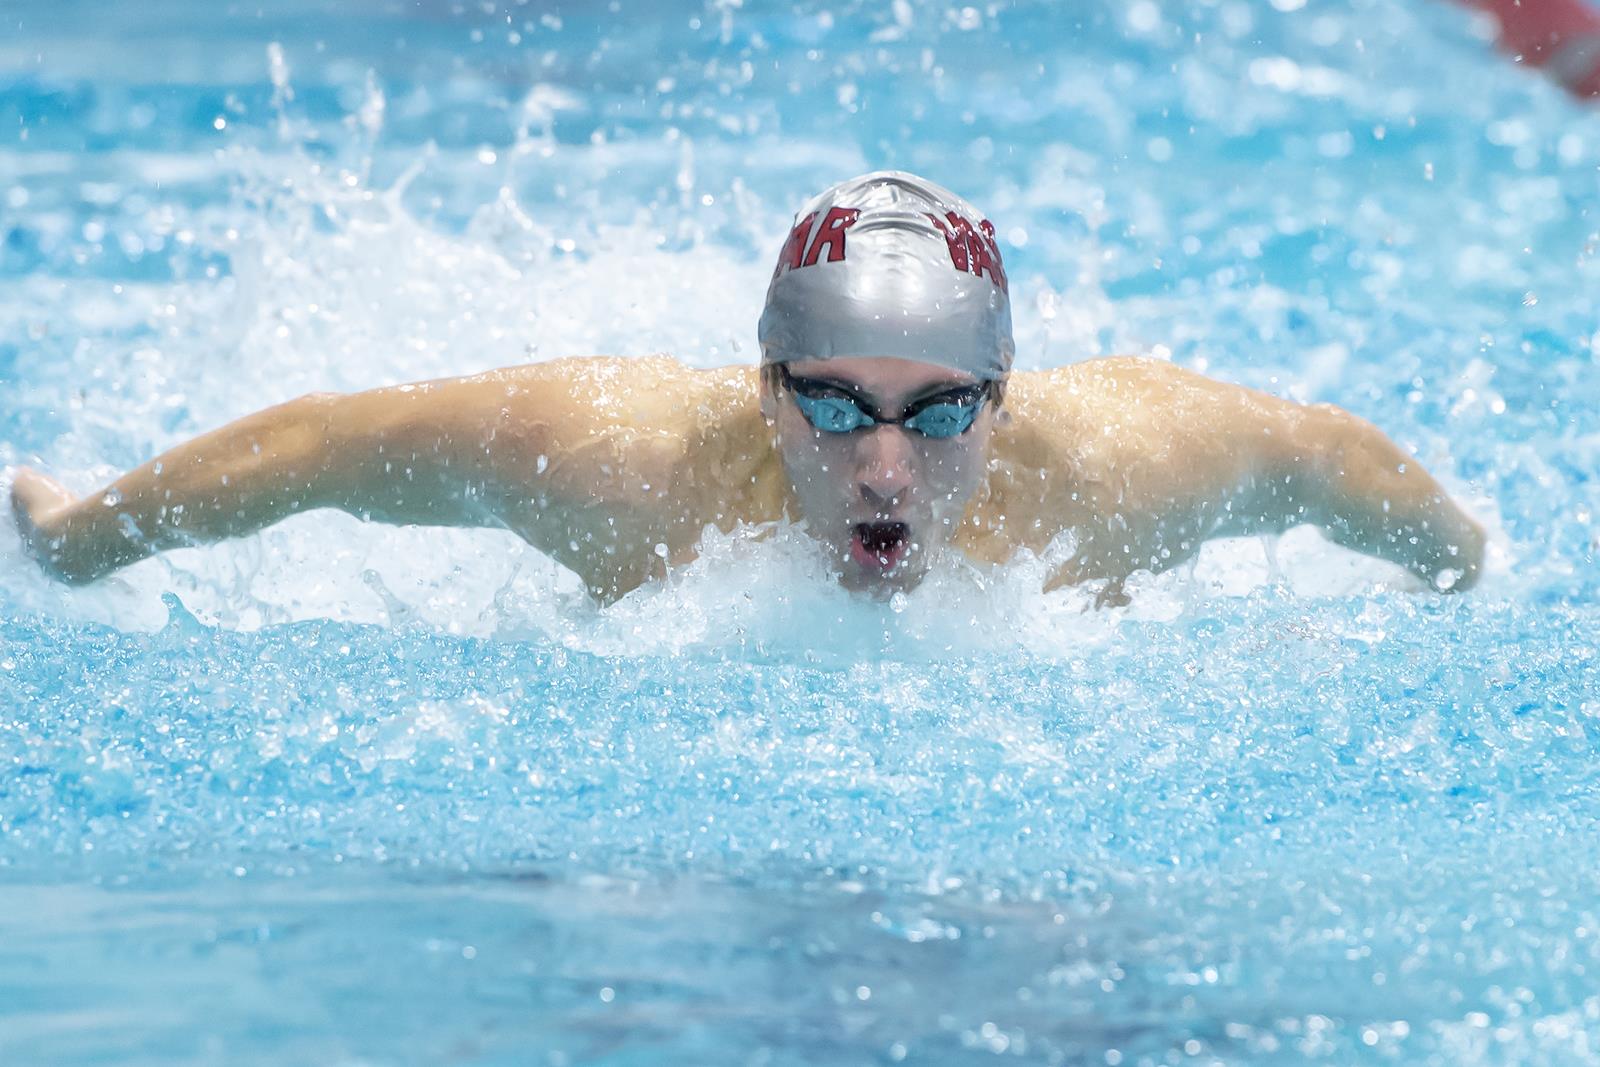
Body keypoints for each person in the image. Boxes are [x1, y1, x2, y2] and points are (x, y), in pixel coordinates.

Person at [8, 171, 1485, 606]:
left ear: (1003, 401)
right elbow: (335, 444)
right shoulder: (617, 467)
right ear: (765, 389)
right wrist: (84, 540)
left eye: (939, 410)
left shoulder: (1116, 477)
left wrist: (1465, 566)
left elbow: (1322, 460)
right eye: (835, 405)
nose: (886, 468)